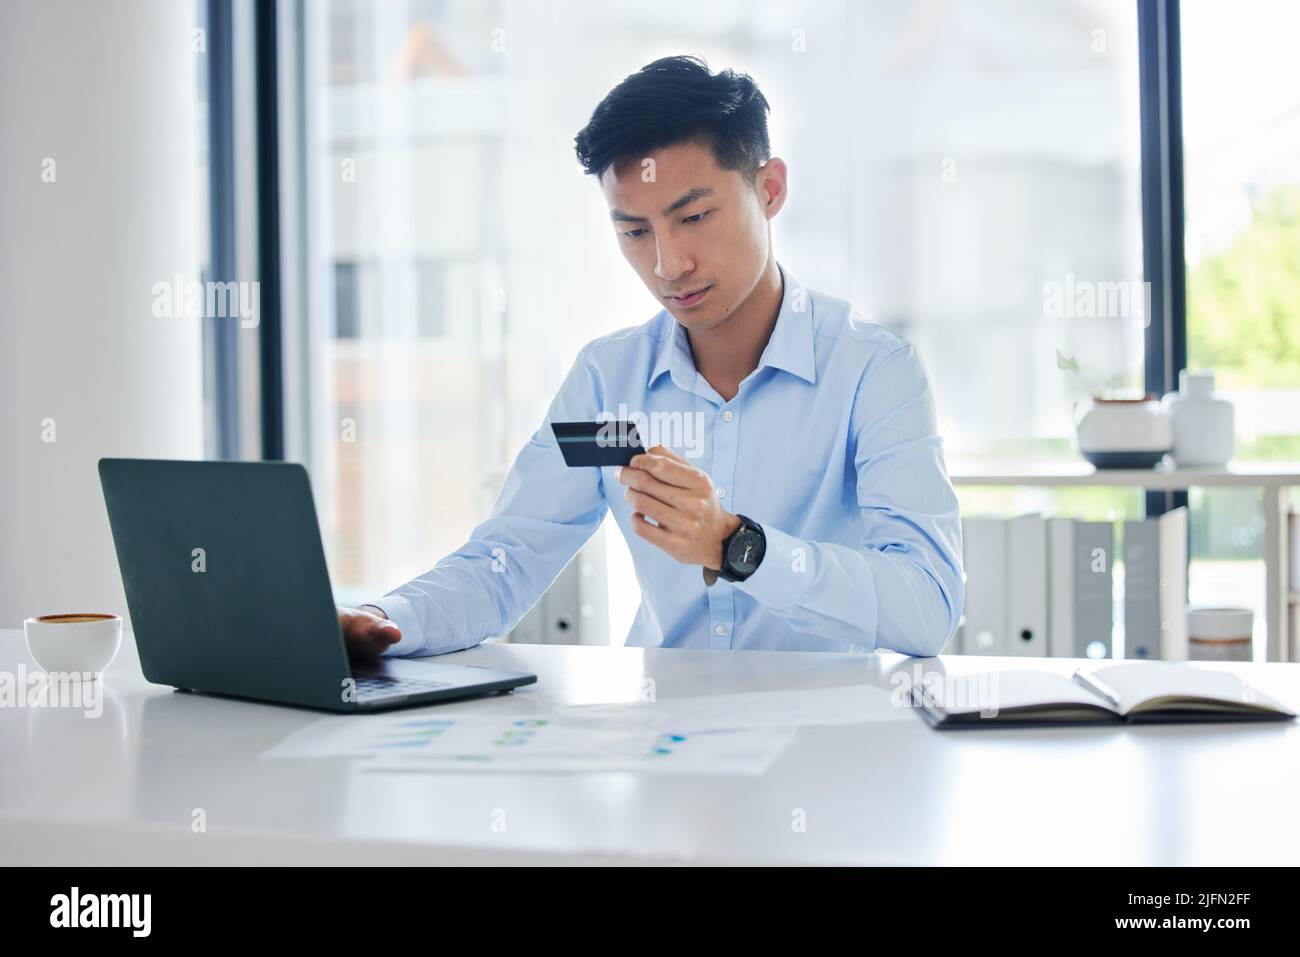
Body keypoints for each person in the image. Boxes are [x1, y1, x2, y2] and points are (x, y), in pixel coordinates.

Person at [339, 55, 964, 659]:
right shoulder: (609, 386)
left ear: (769, 189)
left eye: (693, 216)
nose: (668, 265)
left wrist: (735, 544)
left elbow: (926, 607)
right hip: (661, 737)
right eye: (634, 231)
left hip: (829, 745)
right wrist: (389, 619)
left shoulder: (872, 373)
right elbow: (510, 560)